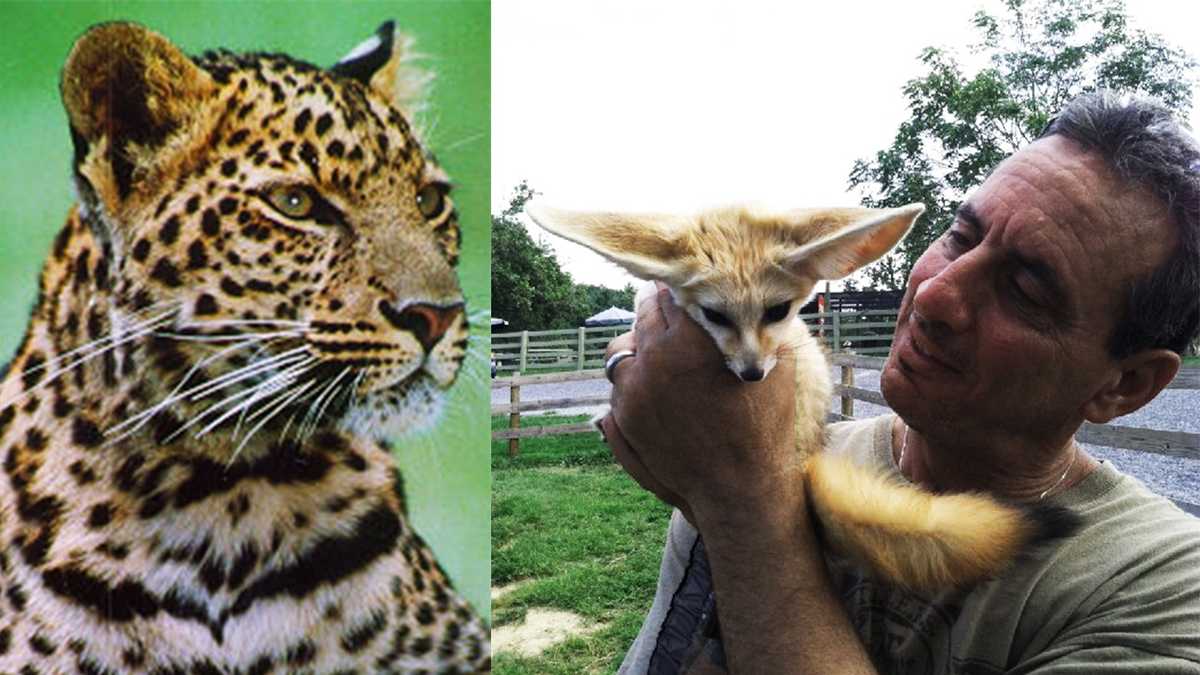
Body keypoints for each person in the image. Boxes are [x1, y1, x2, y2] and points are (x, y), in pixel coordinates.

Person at [602, 92, 1200, 674]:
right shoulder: (761, 440)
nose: (935, 294)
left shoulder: (1165, 590)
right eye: (960, 238)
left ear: (1125, 385)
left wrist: (744, 503)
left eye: (1026, 290)